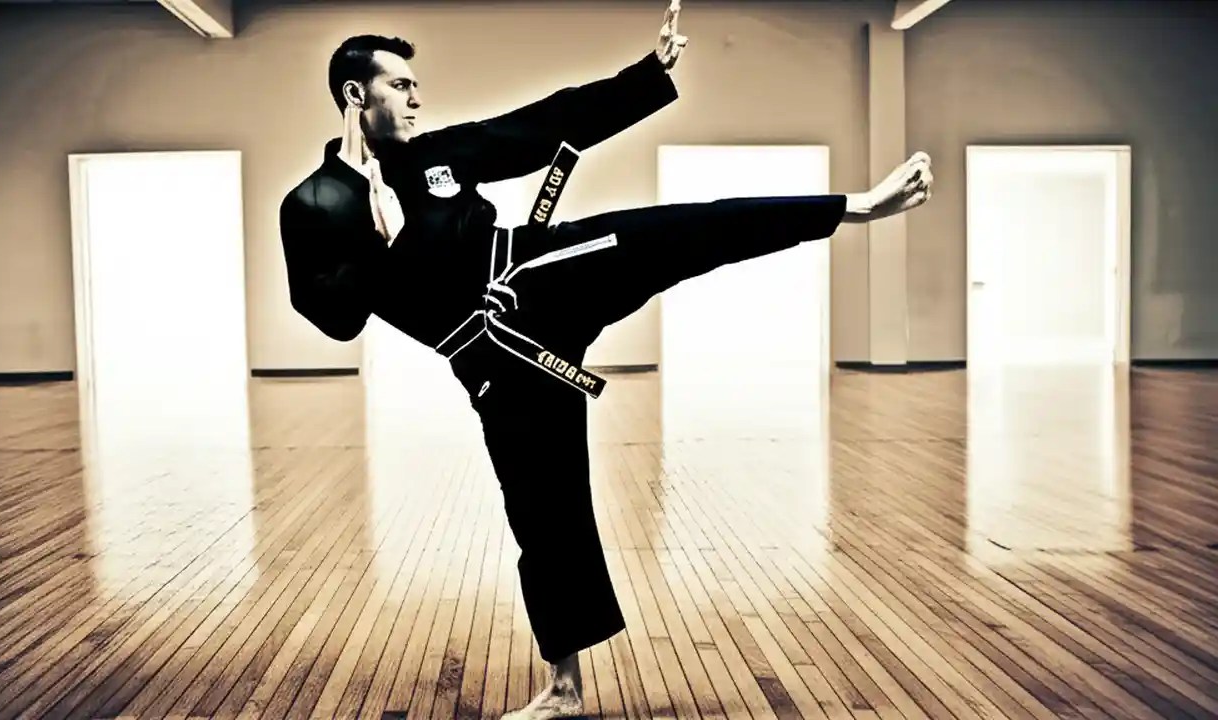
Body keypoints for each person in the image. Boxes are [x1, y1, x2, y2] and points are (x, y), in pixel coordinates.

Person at [278, 3, 932, 717]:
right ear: (354, 95)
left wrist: (646, 77)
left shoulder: (436, 156)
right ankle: (565, 688)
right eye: (400, 85)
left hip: (538, 277)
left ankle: (854, 208)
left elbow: (543, 123)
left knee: (682, 230)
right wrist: (381, 244)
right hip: (496, 364)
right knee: (543, 515)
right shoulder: (313, 204)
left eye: (413, 85)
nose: (415, 96)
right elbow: (334, 319)